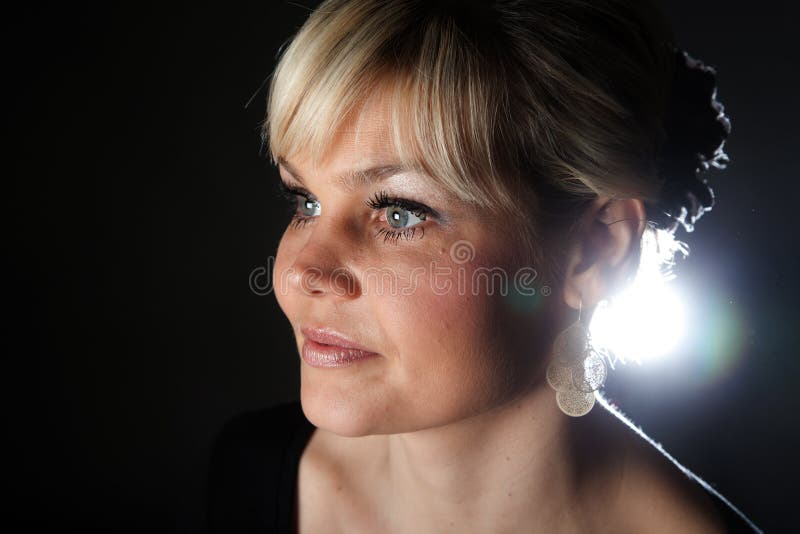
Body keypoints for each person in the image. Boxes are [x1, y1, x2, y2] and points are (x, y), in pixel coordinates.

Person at [207, 0, 762, 532]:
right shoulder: (249, 473)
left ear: (595, 250)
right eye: (306, 201)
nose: (302, 272)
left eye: (400, 213)